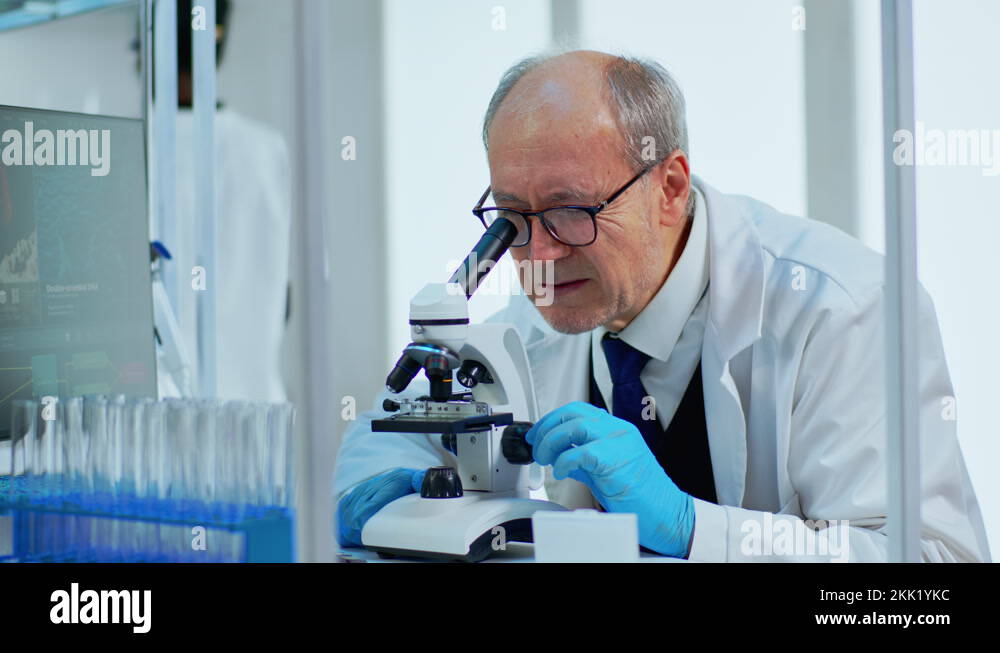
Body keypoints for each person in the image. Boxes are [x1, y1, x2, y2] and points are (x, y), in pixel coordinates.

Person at [333, 50, 990, 562]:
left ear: (670, 186)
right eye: (509, 218)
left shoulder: (842, 311)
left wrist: (693, 527)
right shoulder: (532, 328)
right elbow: (386, 438)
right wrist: (387, 492)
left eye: (569, 211)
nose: (536, 253)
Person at [169, 0, 291, 402]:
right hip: (253, 408)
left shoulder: (141, 145)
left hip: (161, 407)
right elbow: (284, 294)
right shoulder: (266, 147)